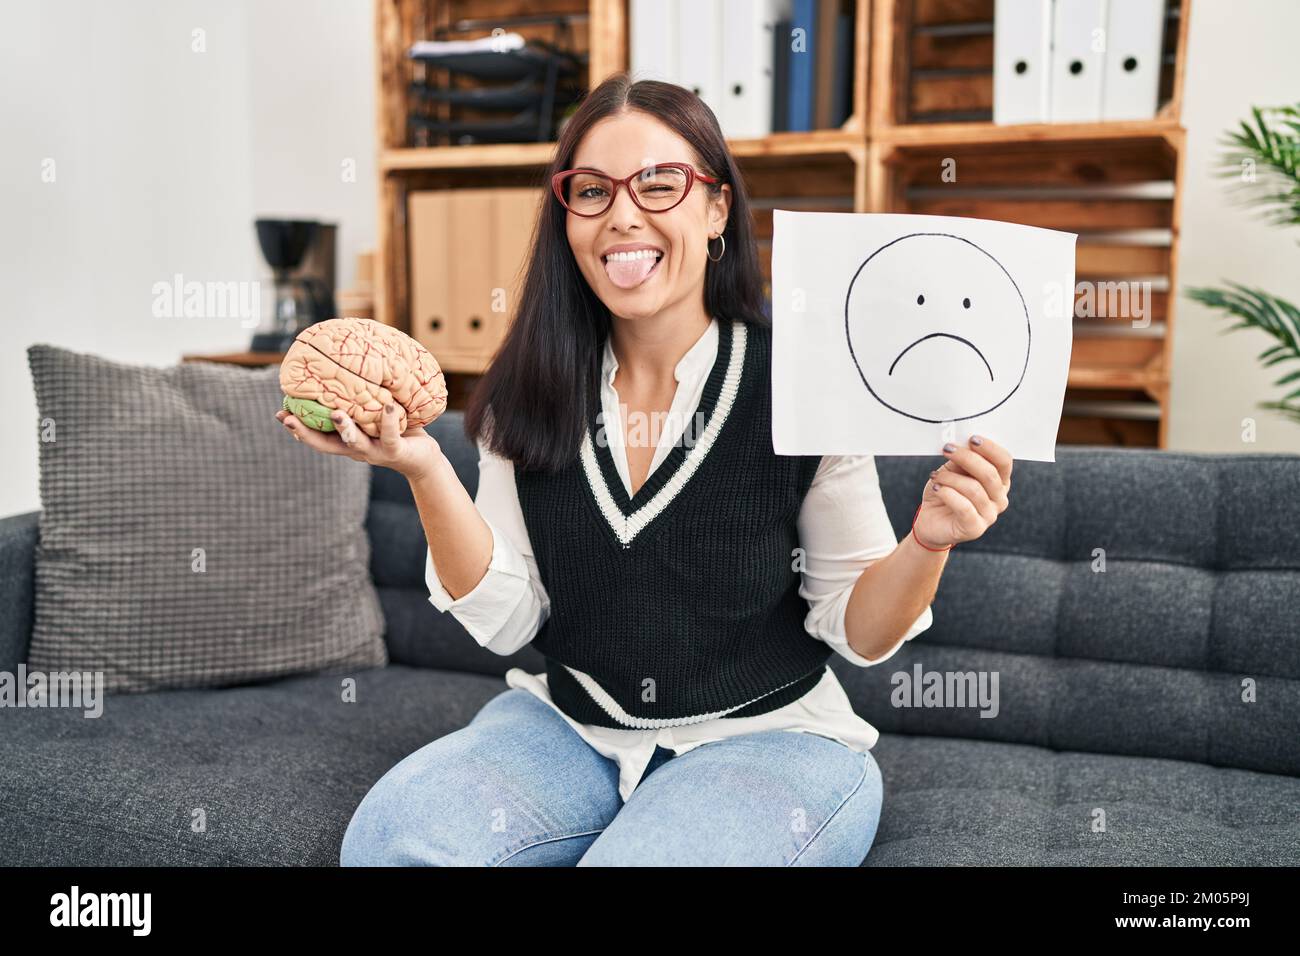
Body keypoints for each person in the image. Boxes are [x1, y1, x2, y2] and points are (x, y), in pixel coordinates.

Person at [277, 73, 1014, 866]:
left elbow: (860, 631)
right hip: (568, 728)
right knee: (389, 844)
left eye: (660, 183)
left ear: (717, 207)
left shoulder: (801, 386)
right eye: (591, 190)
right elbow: (508, 621)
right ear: (566, 219)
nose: (623, 213)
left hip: (770, 741)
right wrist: (424, 467)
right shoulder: (524, 393)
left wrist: (928, 542)